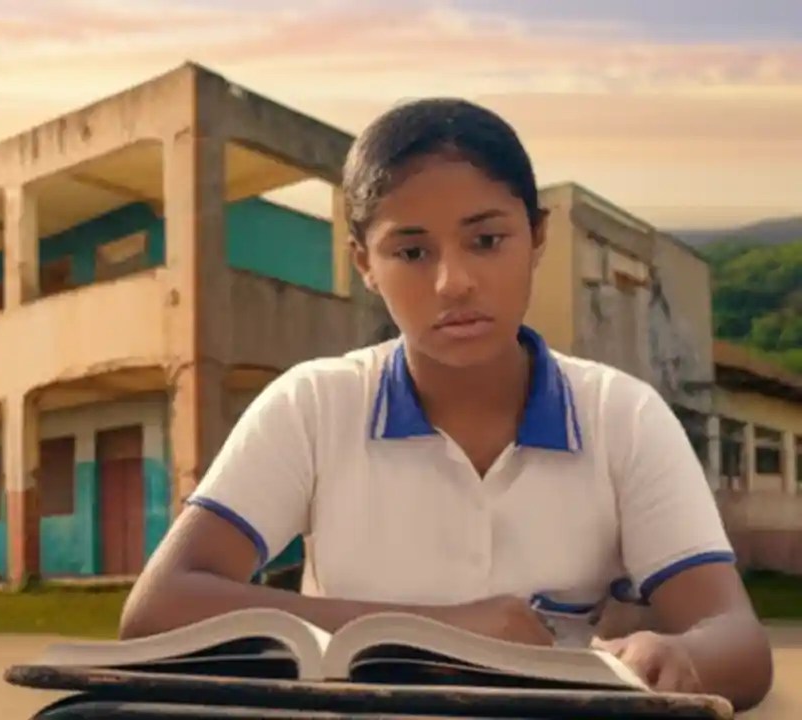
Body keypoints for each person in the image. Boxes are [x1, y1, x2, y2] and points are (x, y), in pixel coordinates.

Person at [118, 98, 773, 711]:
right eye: (411, 251)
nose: (453, 282)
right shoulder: (314, 405)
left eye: (487, 241)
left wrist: (681, 656)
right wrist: (447, 633)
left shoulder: (621, 415)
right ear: (363, 263)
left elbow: (736, 638)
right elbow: (159, 606)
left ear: (537, 235)